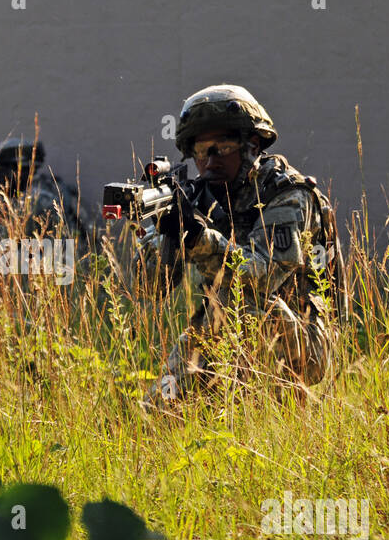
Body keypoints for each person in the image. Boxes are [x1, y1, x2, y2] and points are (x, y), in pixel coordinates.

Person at [136, 84, 346, 402]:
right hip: (230, 329)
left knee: (238, 300)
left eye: (223, 145)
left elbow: (262, 275)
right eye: (202, 149)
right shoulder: (200, 196)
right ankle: (167, 406)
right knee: (160, 409)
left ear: (251, 145)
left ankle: (285, 412)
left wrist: (196, 236)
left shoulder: (288, 194)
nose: (211, 159)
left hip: (310, 344)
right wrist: (164, 232)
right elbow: (148, 290)